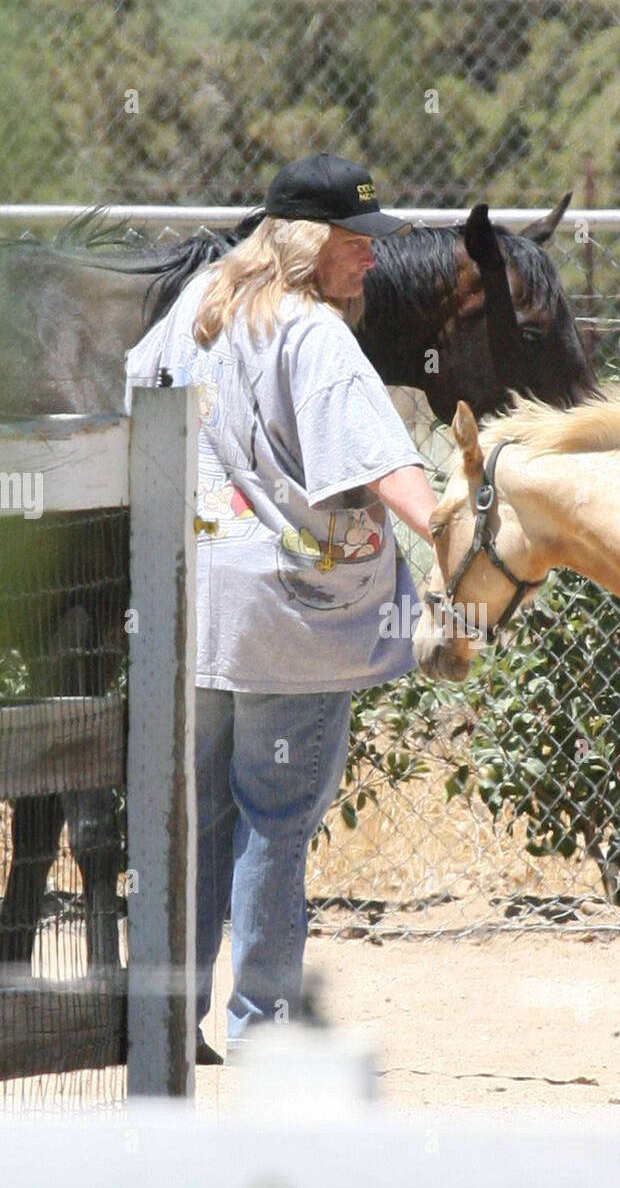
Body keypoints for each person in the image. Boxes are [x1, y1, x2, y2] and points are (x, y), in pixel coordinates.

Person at [125, 153, 437, 1061]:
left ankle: (166, 1019)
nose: (371, 259)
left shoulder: (199, 309)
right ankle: (262, 1026)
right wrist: (455, 527)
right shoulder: (317, 335)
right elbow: (382, 463)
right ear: (307, 241)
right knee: (276, 816)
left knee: (201, 819)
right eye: (355, 241)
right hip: (292, 621)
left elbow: (136, 397)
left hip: (195, 609)